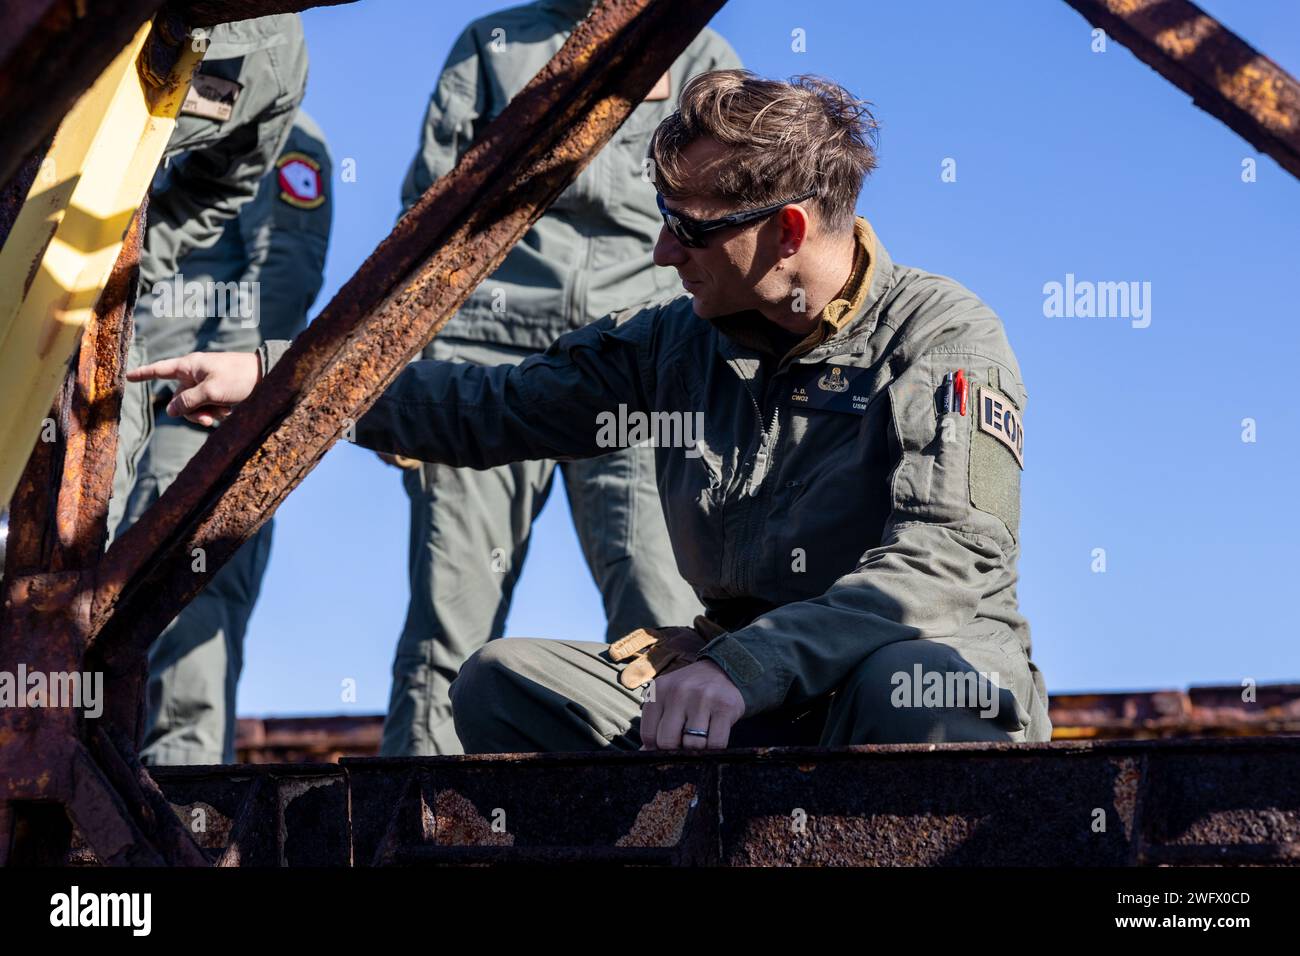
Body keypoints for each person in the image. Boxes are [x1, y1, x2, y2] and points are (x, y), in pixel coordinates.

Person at [131, 70, 1053, 753]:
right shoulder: (672, 343)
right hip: (747, 696)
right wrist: (282, 381)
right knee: (503, 684)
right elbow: (484, 407)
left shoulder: (944, 337)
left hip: (888, 674)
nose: (660, 250)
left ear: (789, 231)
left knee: (909, 691)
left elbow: (945, 561)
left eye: (688, 227)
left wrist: (745, 667)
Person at [377, 0, 741, 755]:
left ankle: (663, 821)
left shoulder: (697, 49)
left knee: (659, 603)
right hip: (484, 346)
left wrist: (712, 366)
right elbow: (428, 215)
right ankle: (420, 820)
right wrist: (398, 375)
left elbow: (730, 217)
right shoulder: (491, 43)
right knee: (452, 609)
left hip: (638, 359)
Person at [112, 110, 333, 765]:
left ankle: (176, 822)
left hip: (193, 415)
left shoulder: (282, 129)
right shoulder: (142, 119)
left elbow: (283, 269)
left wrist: (232, 389)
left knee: (187, 629)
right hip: (113, 405)